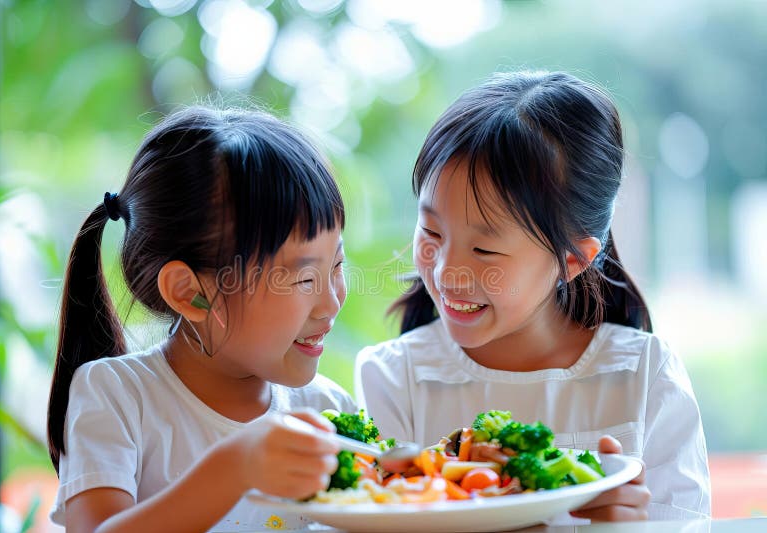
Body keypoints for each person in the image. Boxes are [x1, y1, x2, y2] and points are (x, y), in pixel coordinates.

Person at [355, 71, 710, 521]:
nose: (446, 271)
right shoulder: (393, 380)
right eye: (431, 231)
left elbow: (687, 521)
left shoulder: (645, 378)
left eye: (484, 249)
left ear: (572, 259)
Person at [46, 106, 357, 532]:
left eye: (336, 266)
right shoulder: (117, 397)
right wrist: (235, 467)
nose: (331, 302)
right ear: (191, 292)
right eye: (303, 279)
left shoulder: (328, 410)